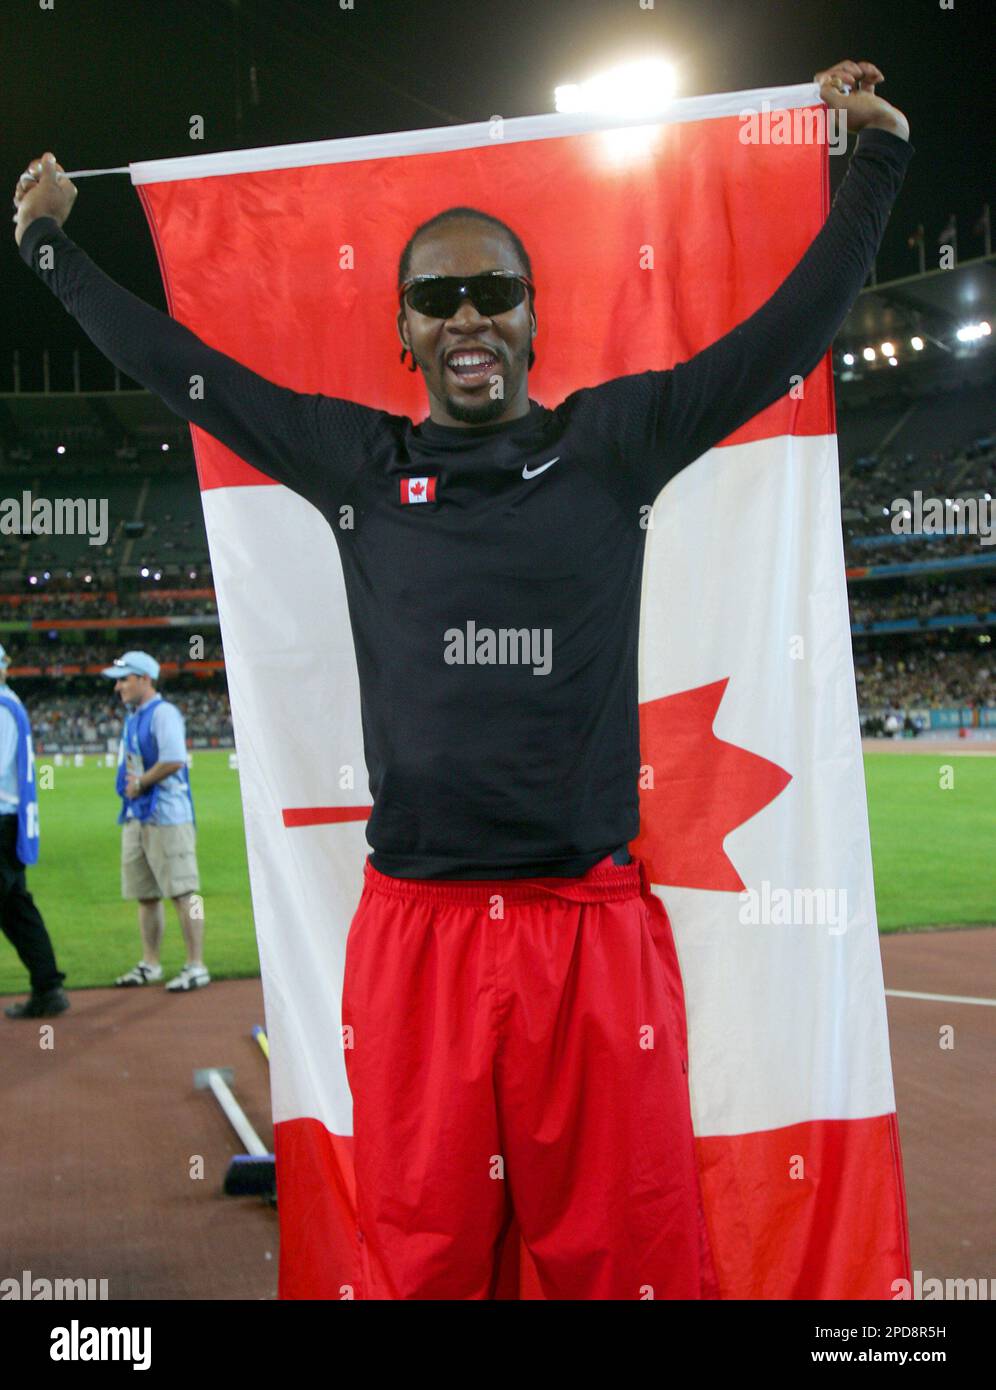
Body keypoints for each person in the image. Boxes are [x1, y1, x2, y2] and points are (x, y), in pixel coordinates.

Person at [14, 60, 912, 1298]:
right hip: (417, 942)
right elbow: (186, 372)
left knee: (626, 1263)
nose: (468, 318)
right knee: (426, 1264)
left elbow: (788, 334)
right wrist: (53, 249)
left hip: (589, 939)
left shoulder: (614, 444)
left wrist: (875, 159)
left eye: (493, 292)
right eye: (439, 297)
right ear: (404, 330)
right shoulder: (356, 463)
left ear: (535, 316)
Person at [100, 652, 209, 992]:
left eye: (124, 679)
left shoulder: (164, 714)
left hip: (167, 816)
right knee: (145, 894)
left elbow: (174, 759)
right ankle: (151, 963)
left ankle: (196, 965)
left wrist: (141, 782)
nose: (118, 687)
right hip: (137, 815)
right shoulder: (135, 717)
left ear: (145, 679)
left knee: (183, 892)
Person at [0, 643, 69, 1019]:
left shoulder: (1, 707)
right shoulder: (9, 702)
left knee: (16, 909)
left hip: (1, 821)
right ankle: (48, 987)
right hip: (8, 822)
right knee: (16, 910)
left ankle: (48, 988)